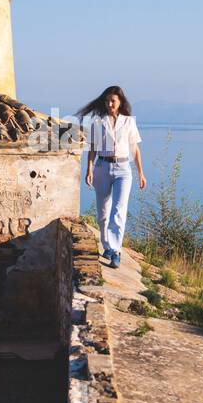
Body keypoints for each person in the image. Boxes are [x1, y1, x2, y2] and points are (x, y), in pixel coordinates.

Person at [78, 85, 146, 268]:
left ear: (120, 102)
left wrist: (141, 173)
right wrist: (89, 169)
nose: (110, 104)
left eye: (113, 101)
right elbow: (92, 149)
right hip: (102, 167)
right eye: (107, 101)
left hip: (124, 169)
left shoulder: (129, 122)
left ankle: (116, 251)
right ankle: (107, 245)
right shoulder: (97, 123)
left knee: (119, 210)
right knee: (103, 213)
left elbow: (135, 149)